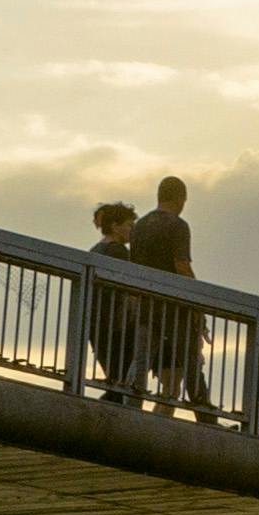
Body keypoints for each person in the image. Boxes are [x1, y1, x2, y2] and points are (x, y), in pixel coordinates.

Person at [130, 175, 218, 419]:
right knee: (190, 361)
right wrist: (197, 298)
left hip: (148, 303)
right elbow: (181, 265)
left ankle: (129, 407)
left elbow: (134, 267)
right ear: (181, 198)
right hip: (175, 307)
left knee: (141, 360)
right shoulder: (178, 226)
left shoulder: (140, 226)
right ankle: (206, 417)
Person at [85, 200, 144, 404]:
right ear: (115, 226)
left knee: (116, 381)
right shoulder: (119, 251)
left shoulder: (95, 250)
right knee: (122, 382)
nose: (132, 230)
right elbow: (128, 290)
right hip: (117, 326)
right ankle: (92, 413)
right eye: (129, 225)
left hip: (96, 325)